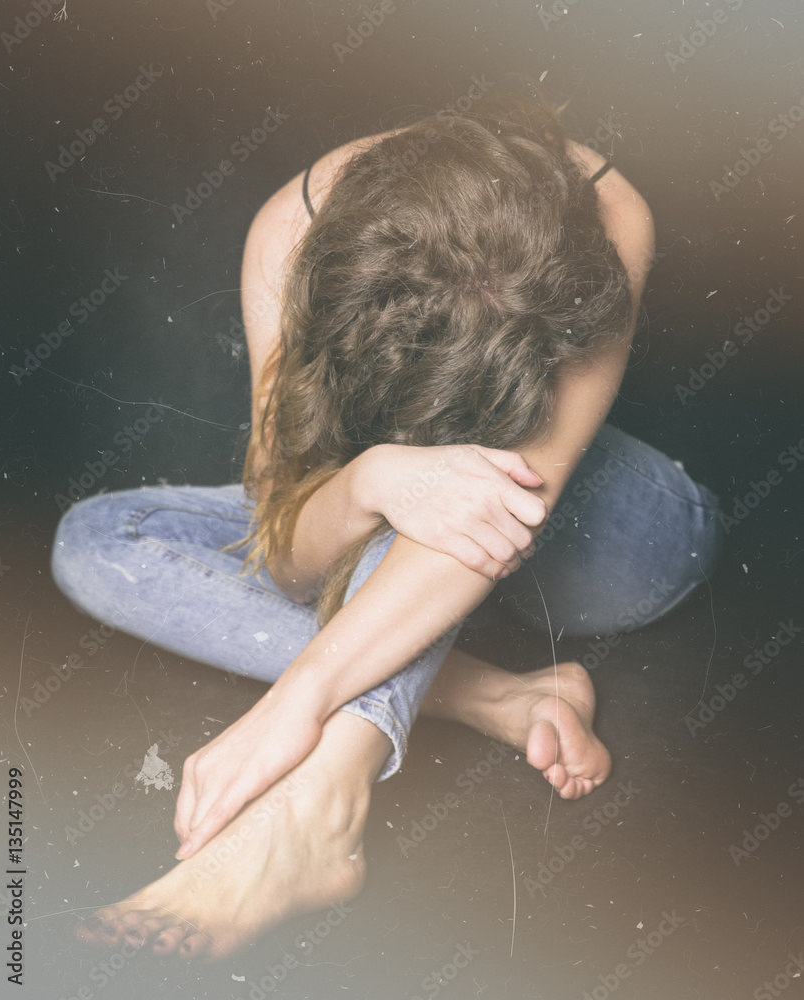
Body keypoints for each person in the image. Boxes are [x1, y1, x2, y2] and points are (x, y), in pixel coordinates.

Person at [51, 75, 723, 961]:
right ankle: (499, 697)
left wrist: (301, 707)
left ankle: (320, 809)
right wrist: (372, 478)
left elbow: (508, 497)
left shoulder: (607, 213)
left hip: (612, 542)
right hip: (415, 526)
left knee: (469, 486)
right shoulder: (288, 233)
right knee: (98, 543)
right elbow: (289, 556)